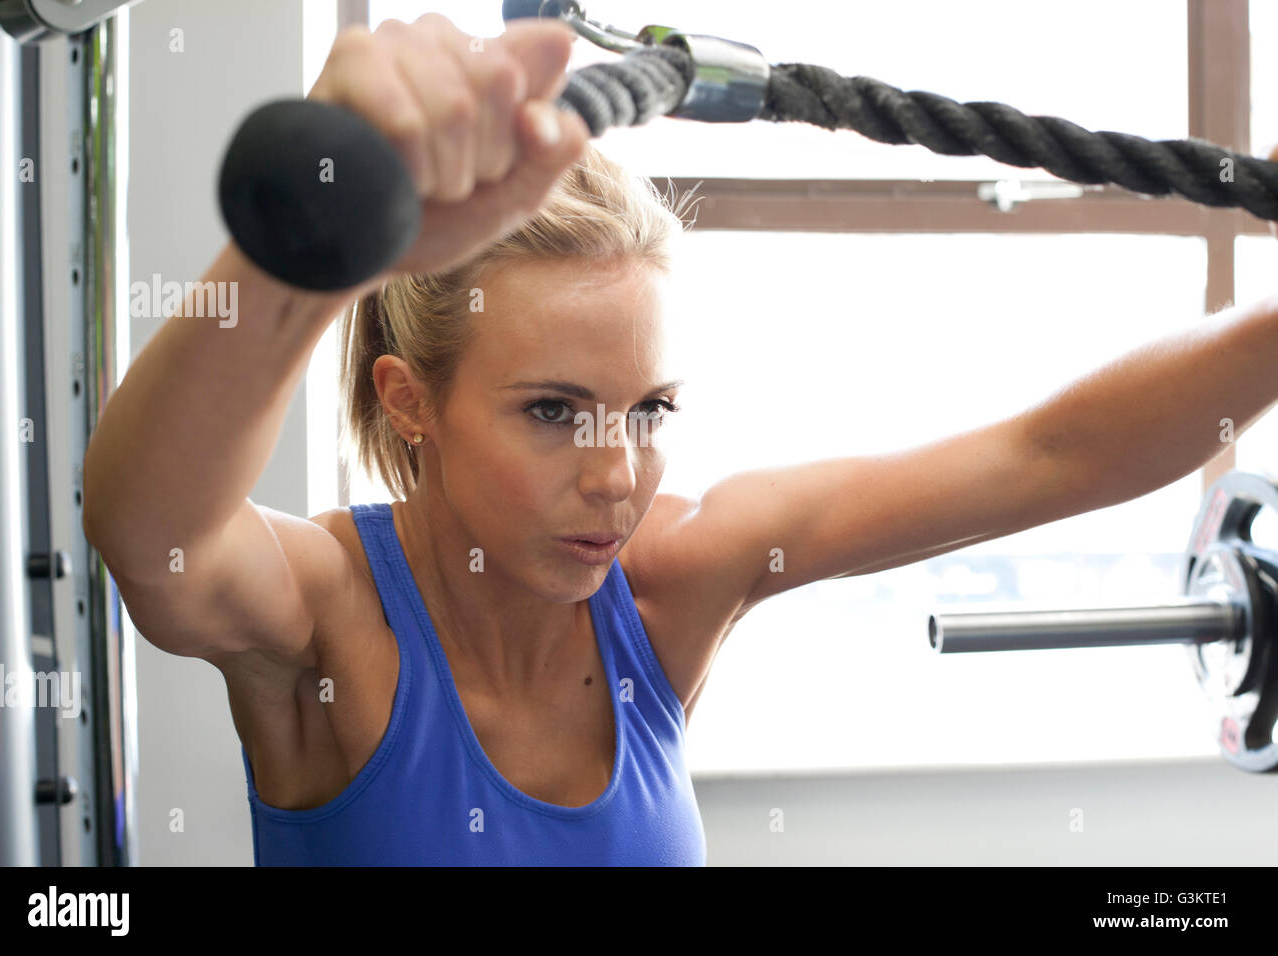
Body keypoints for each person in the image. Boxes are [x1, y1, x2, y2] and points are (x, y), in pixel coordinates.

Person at [82, 12, 1278, 865]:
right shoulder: (326, 616)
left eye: (649, 409)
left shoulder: (668, 584)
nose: (617, 473)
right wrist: (305, 247)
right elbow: (148, 533)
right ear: (408, 402)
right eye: (553, 410)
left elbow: (1048, 456)